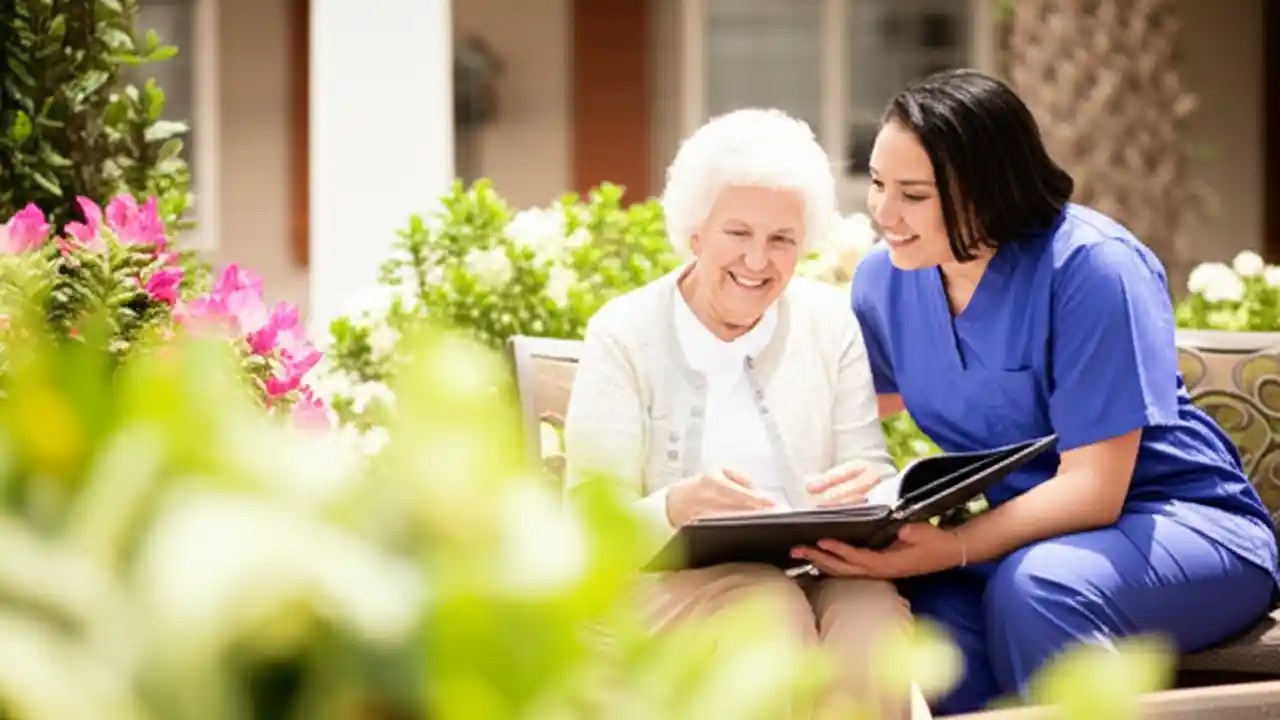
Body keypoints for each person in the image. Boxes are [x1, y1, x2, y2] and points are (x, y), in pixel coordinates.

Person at [791, 68, 1280, 715]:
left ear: (988, 189)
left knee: (1042, 589)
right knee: (930, 617)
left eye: (913, 194)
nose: (884, 212)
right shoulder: (885, 279)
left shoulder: (1093, 266)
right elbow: (841, 408)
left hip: (1180, 525)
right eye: (878, 183)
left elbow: (1095, 489)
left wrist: (958, 544)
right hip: (1020, 540)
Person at [563, 108, 913, 717]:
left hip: (817, 568)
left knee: (871, 625)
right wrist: (676, 506)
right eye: (738, 233)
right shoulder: (623, 333)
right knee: (767, 613)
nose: (757, 260)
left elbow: (870, 469)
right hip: (663, 588)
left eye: (781, 240)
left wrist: (869, 488)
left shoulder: (830, 324)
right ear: (695, 233)